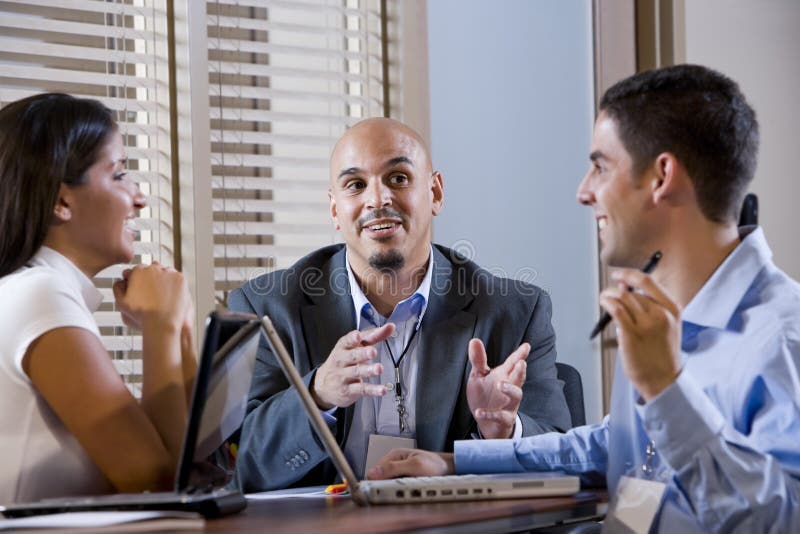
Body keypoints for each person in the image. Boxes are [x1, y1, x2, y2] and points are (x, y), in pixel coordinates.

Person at [368, 65, 800, 531]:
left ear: (661, 177)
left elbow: (779, 520)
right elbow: (615, 448)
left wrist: (666, 389)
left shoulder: (781, 338)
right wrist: (455, 464)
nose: (584, 191)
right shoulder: (660, 320)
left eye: (600, 167)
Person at [228, 117, 571, 490]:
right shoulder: (265, 307)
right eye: (355, 185)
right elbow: (235, 463)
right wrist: (316, 395)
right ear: (334, 210)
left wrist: (504, 434)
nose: (377, 200)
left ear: (435, 193)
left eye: (398, 179)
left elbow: (558, 452)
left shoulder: (513, 310)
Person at [0, 93, 197, 503]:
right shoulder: (39, 293)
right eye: (120, 174)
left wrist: (178, 325)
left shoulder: (48, 292)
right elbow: (158, 482)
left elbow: (196, 457)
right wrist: (160, 326)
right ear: (61, 200)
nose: (140, 197)